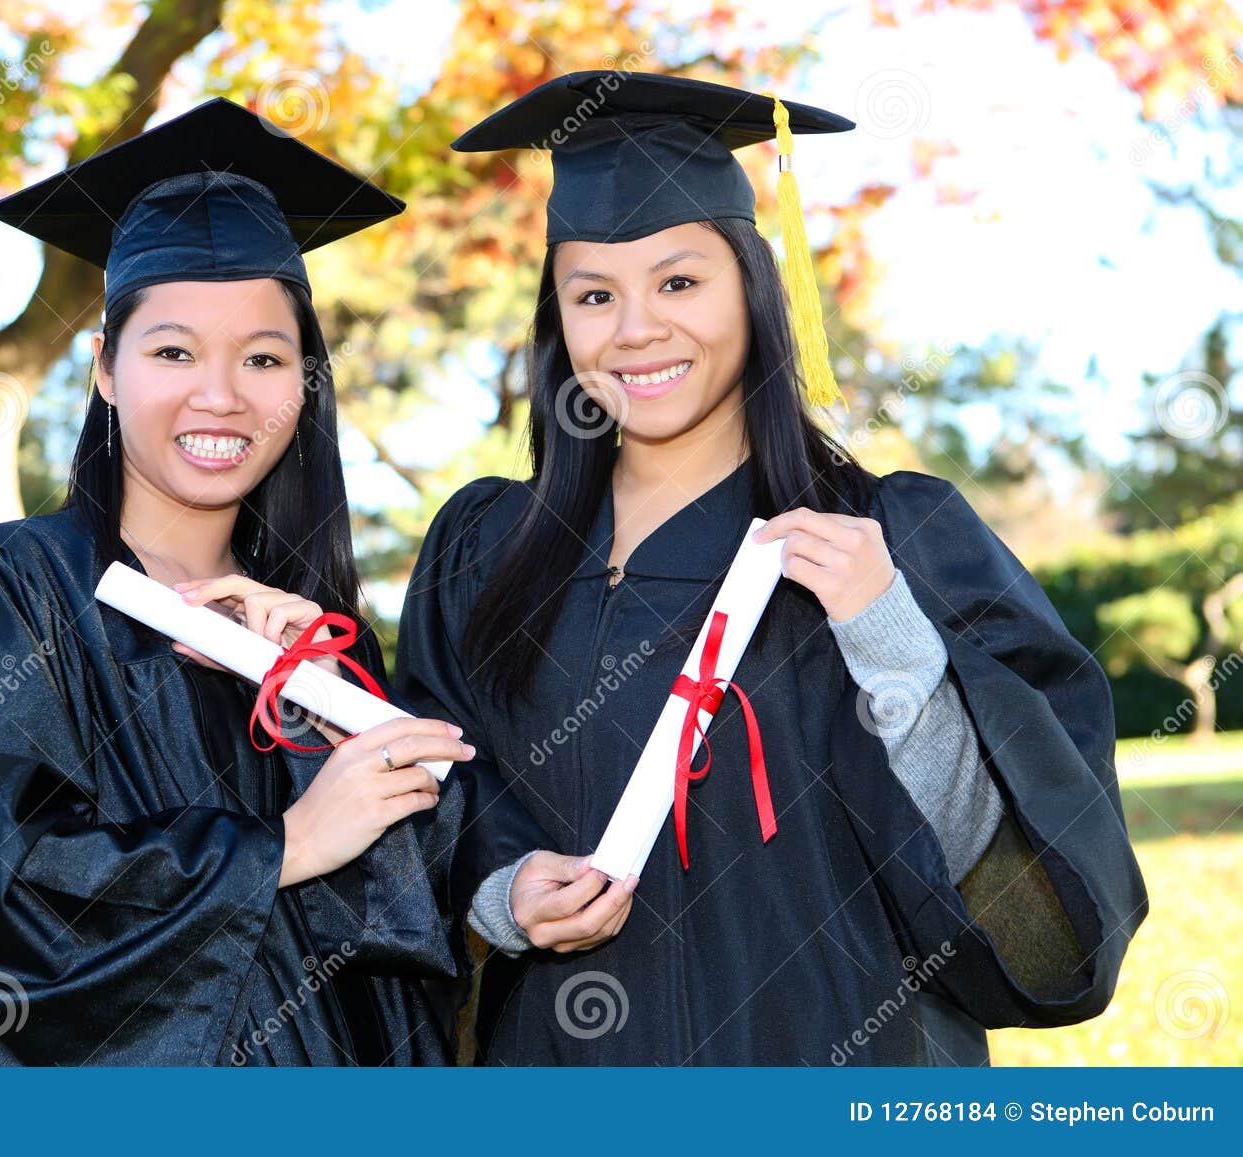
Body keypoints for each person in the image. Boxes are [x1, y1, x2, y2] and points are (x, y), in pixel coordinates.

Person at [395, 71, 1148, 1065]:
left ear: (751, 287)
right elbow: (442, 794)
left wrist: (891, 641)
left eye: (678, 281)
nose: (635, 330)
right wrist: (505, 891)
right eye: (592, 294)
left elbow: (1027, 892)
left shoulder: (891, 537)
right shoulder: (486, 549)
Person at [0, 98, 475, 1066]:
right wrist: (276, 844)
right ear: (105, 368)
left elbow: (401, 934)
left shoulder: (323, 638)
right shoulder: (4, 590)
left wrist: (332, 726)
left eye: (264, 357)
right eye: (172, 351)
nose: (221, 394)